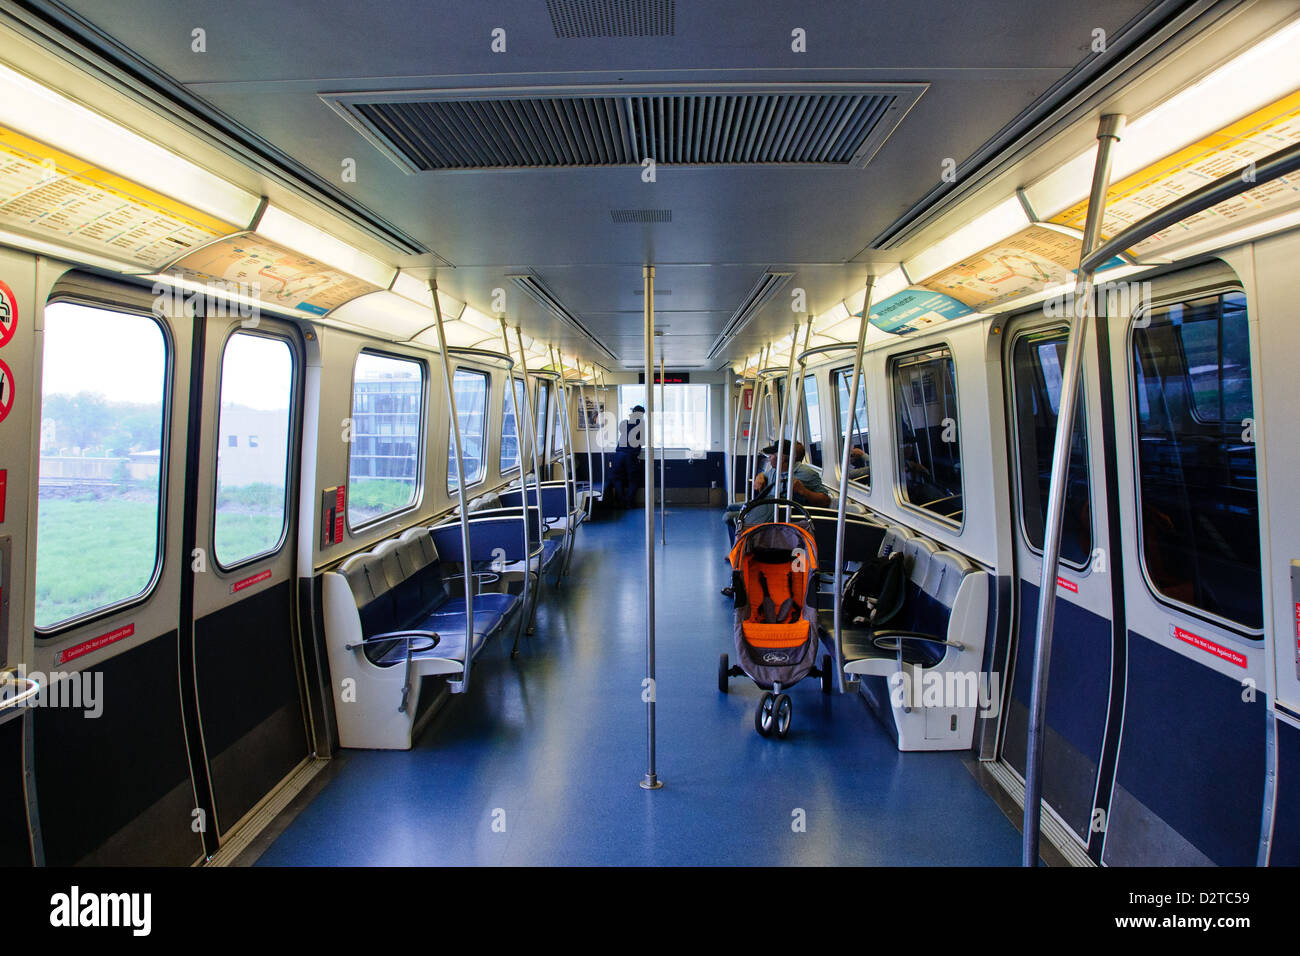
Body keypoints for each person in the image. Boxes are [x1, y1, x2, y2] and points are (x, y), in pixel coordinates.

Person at [721, 440, 829, 597]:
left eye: (772, 454)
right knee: (730, 509)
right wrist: (759, 477)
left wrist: (804, 491)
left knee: (732, 519)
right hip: (767, 505)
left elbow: (825, 501)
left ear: (783, 458)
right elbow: (764, 476)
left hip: (780, 511)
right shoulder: (772, 470)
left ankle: (738, 573)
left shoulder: (807, 474)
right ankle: (735, 551)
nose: (769, 457)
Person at [608, 405, 644, 508]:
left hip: (619, 454)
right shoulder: (641, 425)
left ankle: (621, 500)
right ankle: (629, 501)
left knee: (617, 478)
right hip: (630, 455)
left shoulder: (625, 423)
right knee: (634, 479)